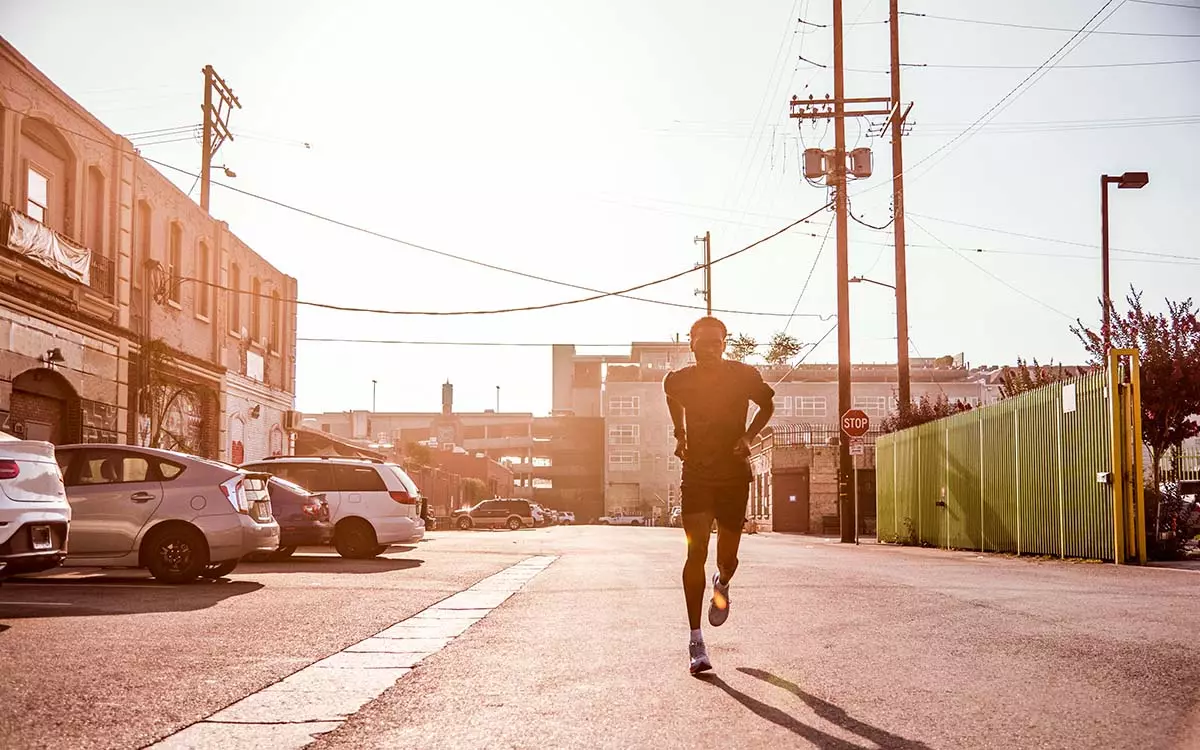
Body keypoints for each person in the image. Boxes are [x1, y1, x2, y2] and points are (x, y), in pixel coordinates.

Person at [663, 316, 775, 675]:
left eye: (718, 342)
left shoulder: (743, 375)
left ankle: (722, 582)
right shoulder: (679, 380)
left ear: (725, 344)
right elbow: (671, 397)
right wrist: (680, 433)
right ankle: (696, 641)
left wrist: (748, 437)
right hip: (696, 474)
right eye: (704, 341)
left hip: (732, 475)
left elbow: (766, 405)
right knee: (695, 552)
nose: (711, 348)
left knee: (728, 558)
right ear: (691, 342)